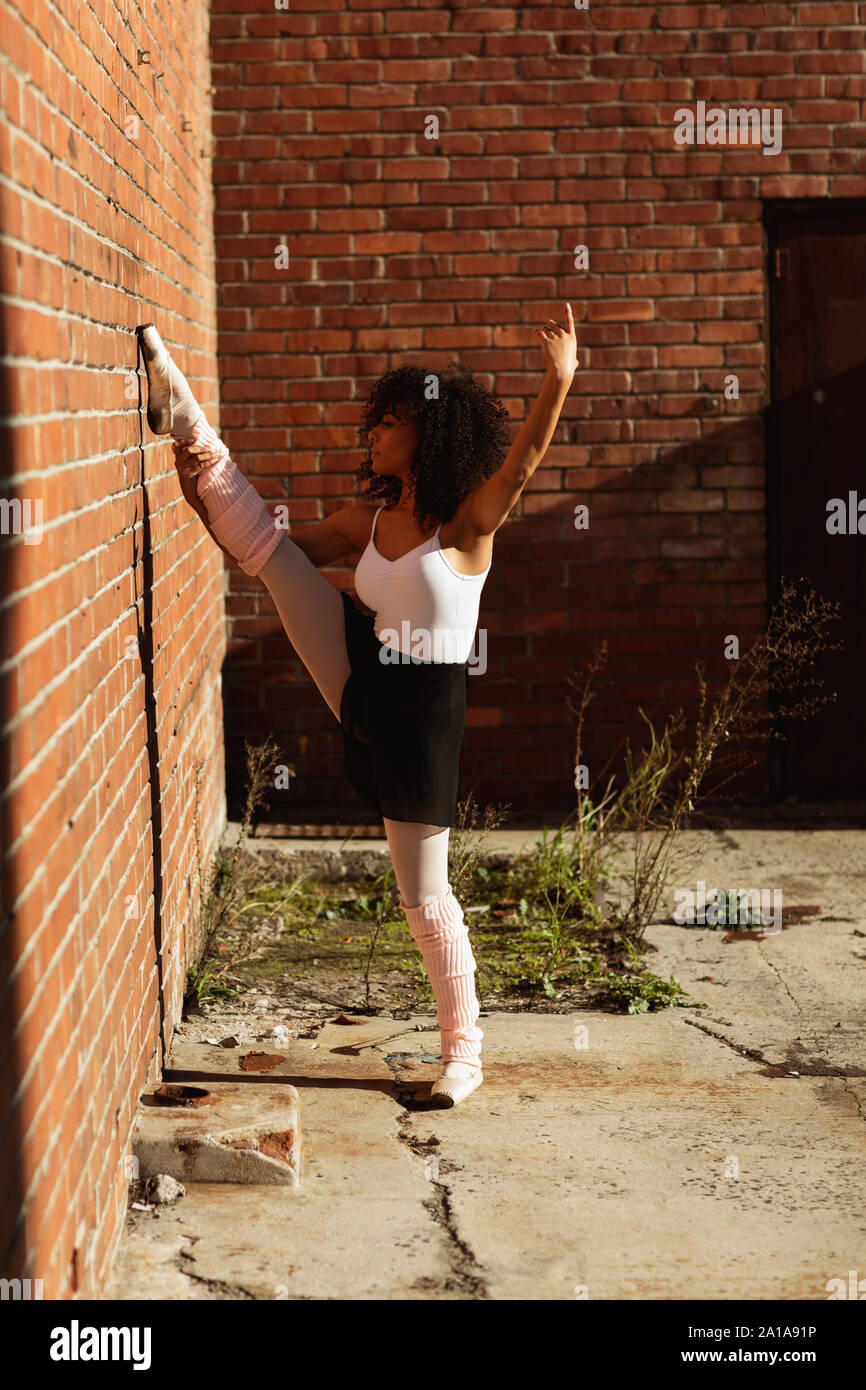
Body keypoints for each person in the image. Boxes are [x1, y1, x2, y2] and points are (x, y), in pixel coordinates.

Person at [136, 308, 578, 1105]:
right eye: (374, 422)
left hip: (424, 713)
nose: (373, 434)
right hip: (361, 671)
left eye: (391, 423)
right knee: (271, 558)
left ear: (431, 436)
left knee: (422, 895)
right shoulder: (365, 523)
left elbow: (522, 466)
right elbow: (271, 554)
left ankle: (463, 1052)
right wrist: (201, 493)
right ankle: (190, 428)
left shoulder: (469, 525)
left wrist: (560, 377)